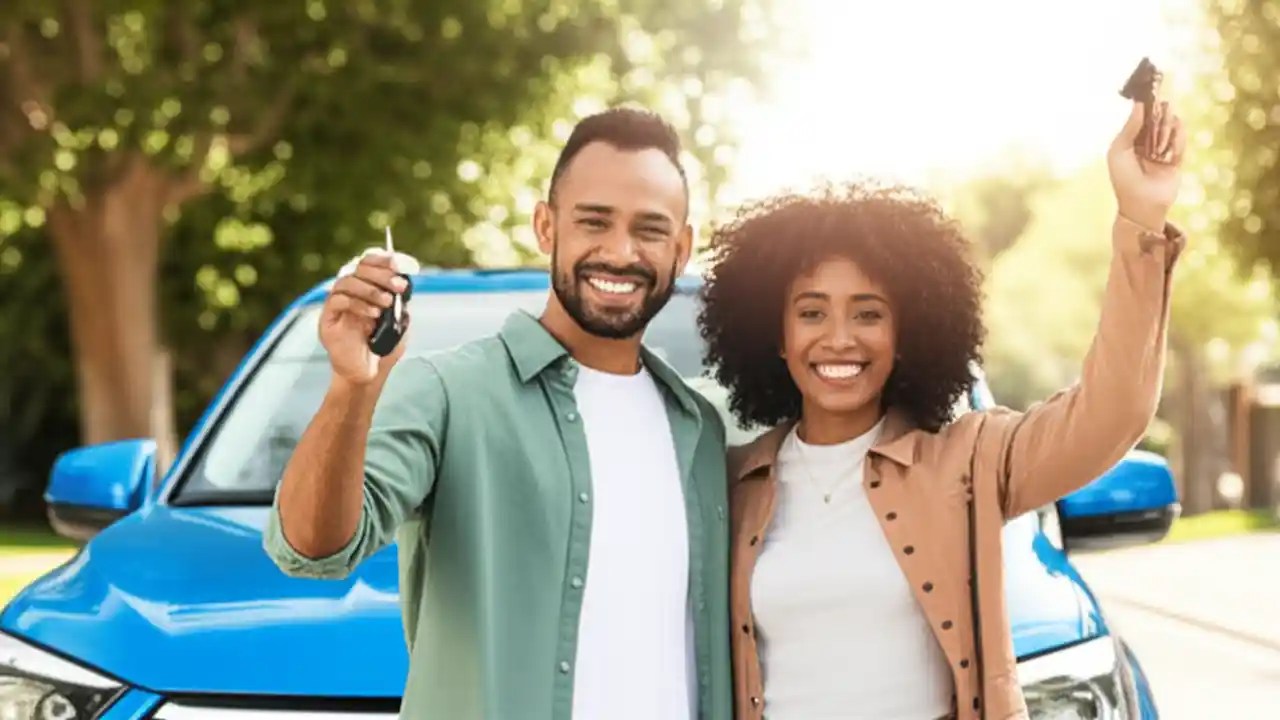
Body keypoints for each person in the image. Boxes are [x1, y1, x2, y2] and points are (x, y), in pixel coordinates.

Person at [697, 98, 1186, 720]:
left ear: (907, 334)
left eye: (869, 313)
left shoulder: (970, 460)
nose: (840, 338)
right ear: (777, 334)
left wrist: (1140, 217)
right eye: (812, 312)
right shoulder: (732, 486)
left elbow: (1112, 411)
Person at [263, 107, 733, 720]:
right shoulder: (447, 391)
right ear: (545, 226)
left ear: (683, 246)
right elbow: (314, 548)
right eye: (594, 221)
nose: (620, 252)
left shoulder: (703, 429)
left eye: (650, 228)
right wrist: (352, 387)